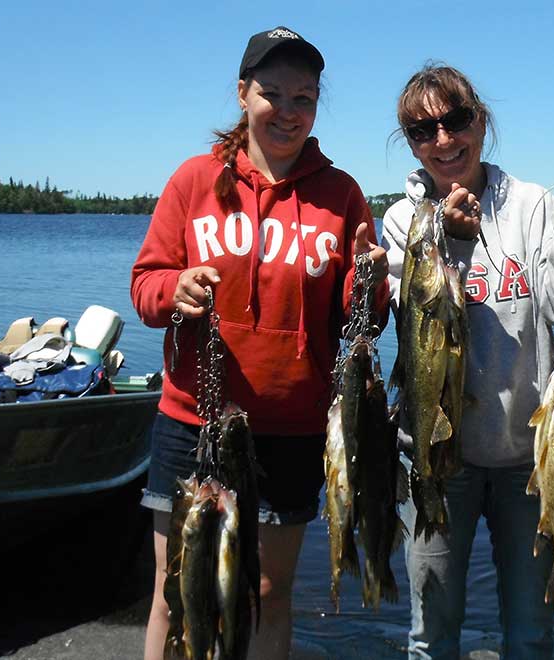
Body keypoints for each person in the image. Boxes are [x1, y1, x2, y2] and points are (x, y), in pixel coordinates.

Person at [132, 26, 388, 660]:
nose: (289, 111)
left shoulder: (341, 194)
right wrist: (176, 288)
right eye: (273, 93)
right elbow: (145, 286)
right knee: (175, 594)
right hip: (192, 422)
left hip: (294, 432)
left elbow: (366, 321)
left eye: (305, 97)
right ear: (243, 94)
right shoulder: (194, 181)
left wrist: (371, 282)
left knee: (269, 592)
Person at [380, 63, 554, 659]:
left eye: (455, 121)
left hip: (530, 462)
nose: (443, 140)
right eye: (422, 130)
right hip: (436, 460)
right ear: (409, 142)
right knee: (430, 635)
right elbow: (423, 323)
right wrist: (449, 240)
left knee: (532, 634)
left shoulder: (532, 204)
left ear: (480, 121)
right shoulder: (403, 220)